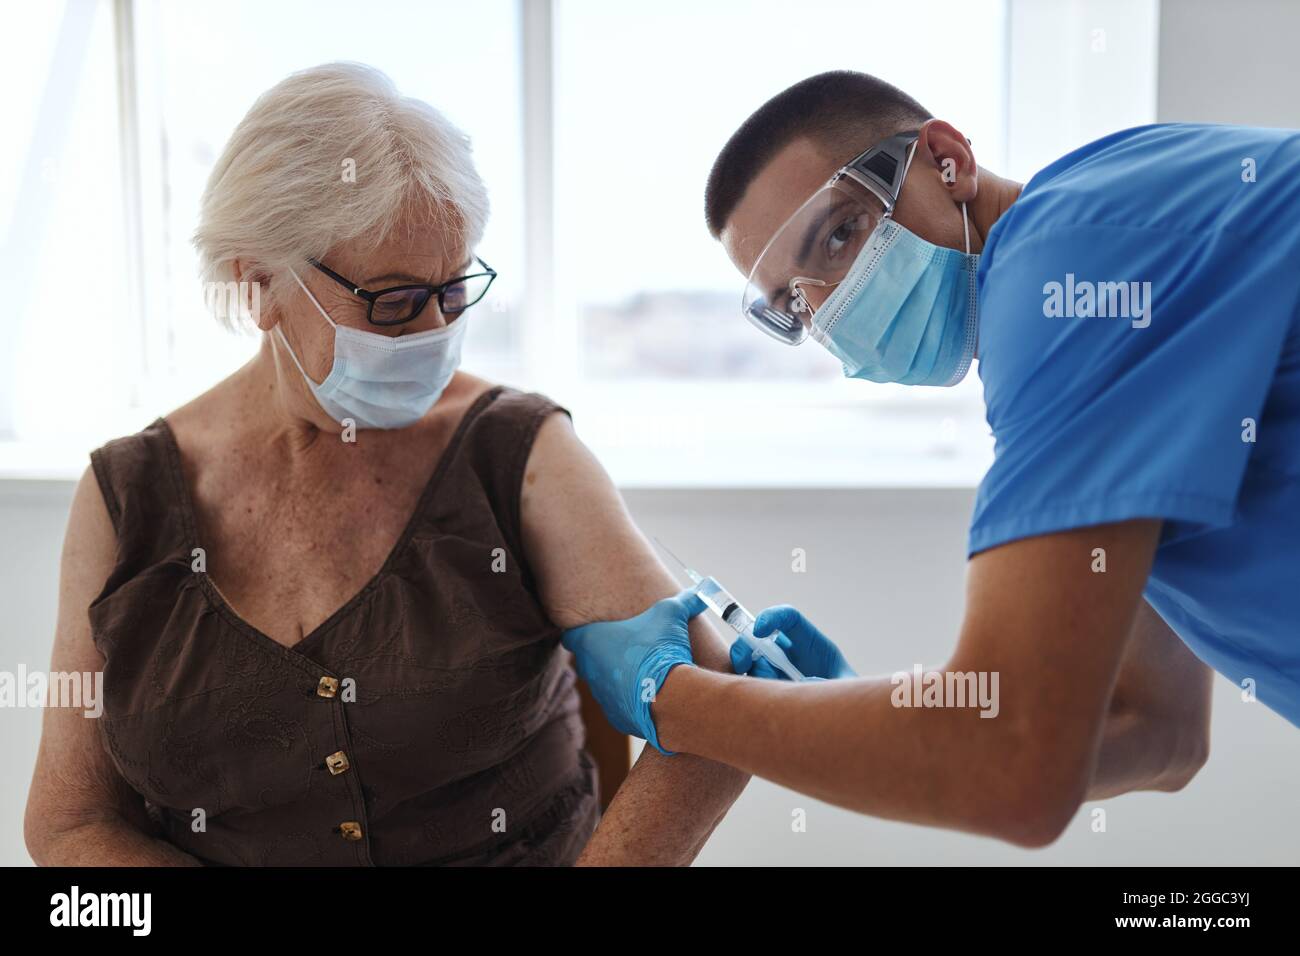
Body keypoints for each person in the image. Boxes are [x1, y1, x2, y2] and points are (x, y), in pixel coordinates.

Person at [24, 63, 746, 867]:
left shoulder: (519, 455)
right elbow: (68, 825)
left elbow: (719, 724)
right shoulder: (125, 499)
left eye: (454, 291)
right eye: (395, 302)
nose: (437, 330)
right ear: (258, 283)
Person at [564, 70, 1300, 847]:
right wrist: (845, 716)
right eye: (797, 303)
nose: (833, 305)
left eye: (840, 235)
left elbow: (1017, 771)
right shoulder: (1107, 215)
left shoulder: (1065, 281)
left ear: (946, 159)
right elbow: (1156, 729)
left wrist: (674, 700)